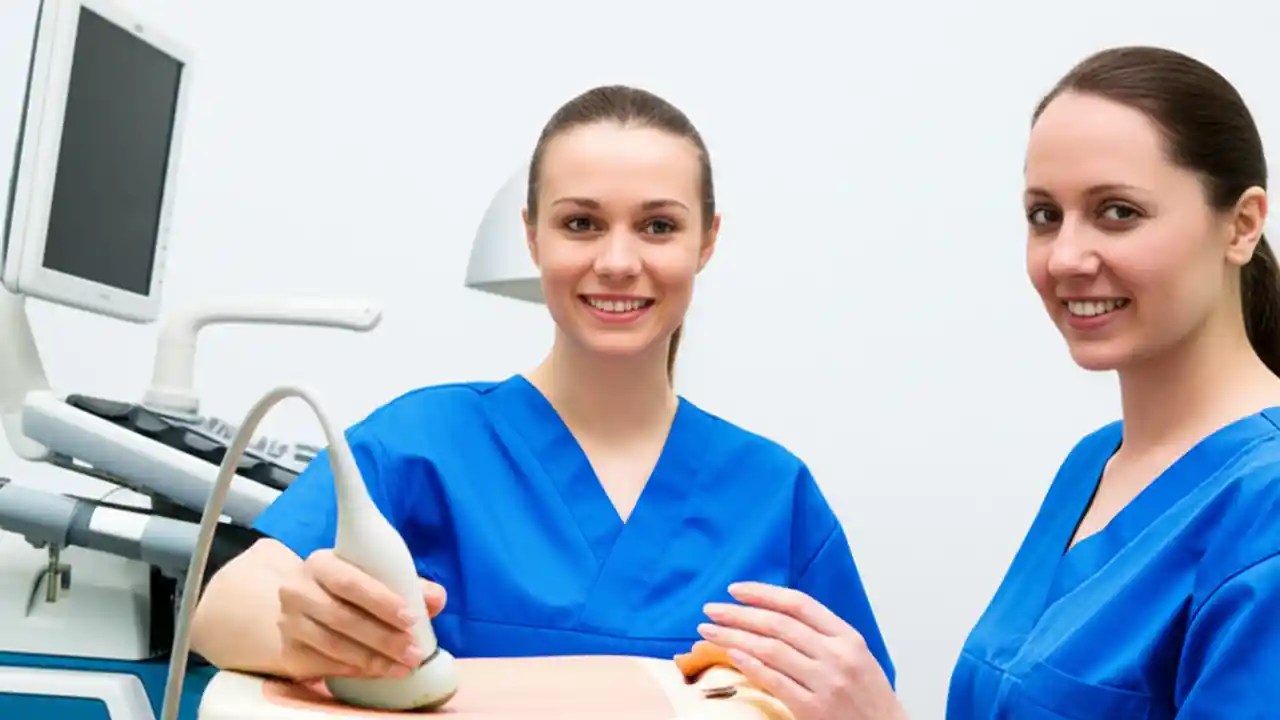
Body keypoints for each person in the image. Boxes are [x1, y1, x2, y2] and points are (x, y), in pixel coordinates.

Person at [189, 84, 895, 714]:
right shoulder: (425, 444)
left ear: (707, 241)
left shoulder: (773, 495)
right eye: (581, 223)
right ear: (532, 235)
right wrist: (304, 627)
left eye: (658, 226)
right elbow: (222, 608)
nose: (618, 262)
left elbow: (856, 696)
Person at [704, 45, 1280, 719]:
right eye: (1044, 215)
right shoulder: (1095, 465)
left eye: (1118, 211)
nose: (1065, 257)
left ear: (1240, 226)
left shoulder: (1262, 507)